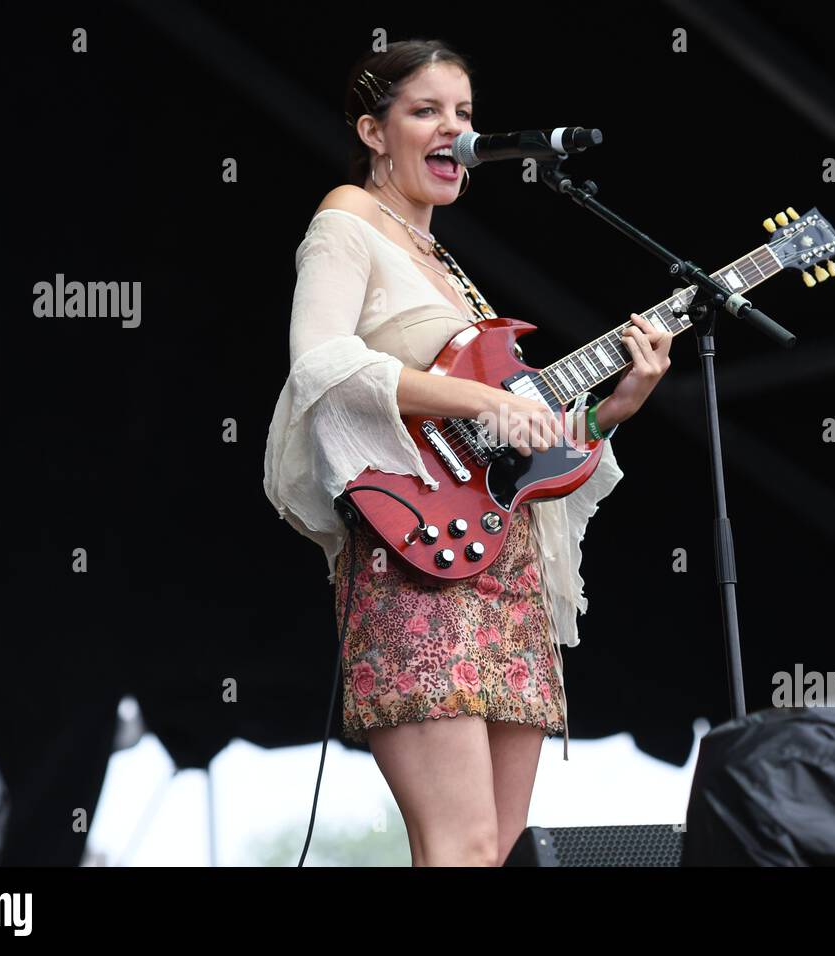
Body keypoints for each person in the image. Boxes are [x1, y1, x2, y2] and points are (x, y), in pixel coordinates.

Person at [262, 39, 673, 866]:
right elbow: (322, 361)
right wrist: (484, 397)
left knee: (510, 852)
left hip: (504, 560)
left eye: (466, 115)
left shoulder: (448, 267)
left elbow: (511, 453)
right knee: (462, 846)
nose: (454, 130)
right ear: (374, 132)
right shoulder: (347, 218)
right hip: (417, 555)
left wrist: (612, 410)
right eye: (427, 112)